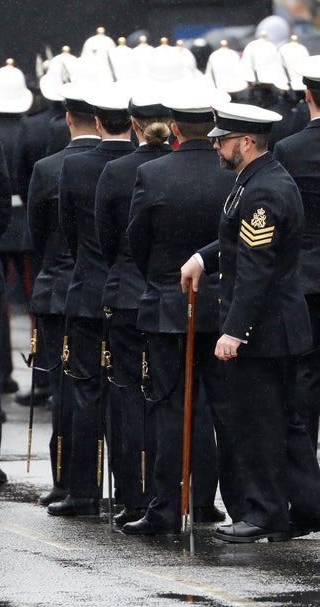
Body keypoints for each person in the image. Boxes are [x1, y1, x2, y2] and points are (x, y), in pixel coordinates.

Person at [180, 102, 320, 542]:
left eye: (222, 139)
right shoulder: (258, 179)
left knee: (260, 423)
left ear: (244, 142)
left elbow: (257, 268)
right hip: (275, 325)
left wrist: (234, 331)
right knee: (285, 423)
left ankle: (264, 513)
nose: (216, 145)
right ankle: (307, 507)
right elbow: (238, 242)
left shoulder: (262, 190)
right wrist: (204, 256)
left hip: (264, 329)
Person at [122, 90, 232, 535]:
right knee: (223, 410)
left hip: (170, 303)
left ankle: (167, 508)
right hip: (224, 303)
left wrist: (164, 278)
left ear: (174, 125)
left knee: (172, 410)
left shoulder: (151, 172)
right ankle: (214, 504)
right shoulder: (233, 176)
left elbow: (137, 240)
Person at [51, 84, 135, 517]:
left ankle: (82, 490)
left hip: (87, 286)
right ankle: (130, 493)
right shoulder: (149, 164)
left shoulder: (76, 167)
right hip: (131, 290)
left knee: (85, 393)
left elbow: (68, 229)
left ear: (98, 122)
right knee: (128, 394)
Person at [94, 92, 173, 524]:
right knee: (178, 400)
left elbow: (107, 238)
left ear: (133, 123)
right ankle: (189, 496)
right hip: (177, 295)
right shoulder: (189, 166)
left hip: (127, 292)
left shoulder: (117, 170)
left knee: (127, 399)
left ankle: (135, 495)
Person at [26, 89, 100, 505]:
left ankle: (69, 481)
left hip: (58, 287)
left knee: (65, 391)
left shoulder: (47, 168)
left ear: (69, 119)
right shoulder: (123, 166)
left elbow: (38, 235)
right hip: (99, 286)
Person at [273, 55, 320, 449]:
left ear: (307, 95)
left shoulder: (289, 149)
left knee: (305, 374)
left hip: (305, 277)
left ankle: (306, 477)